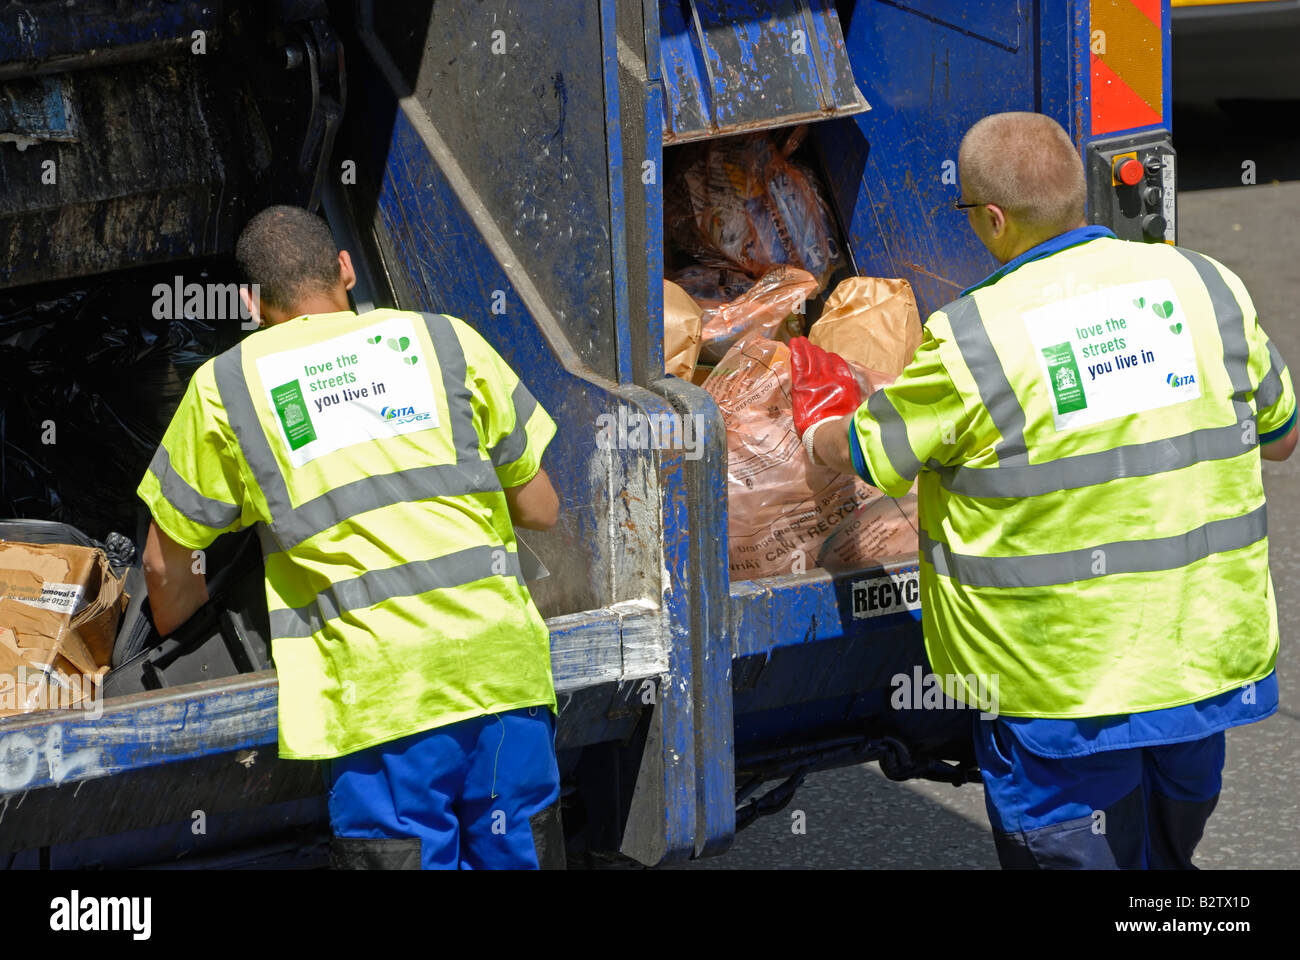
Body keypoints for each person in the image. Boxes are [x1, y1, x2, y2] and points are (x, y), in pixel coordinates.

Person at [791, 112, 1296, 869]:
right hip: (1198, 668)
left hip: (1057, 692)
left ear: (992, 218)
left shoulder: (976, 336)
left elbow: (871, 451)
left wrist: (812, 431)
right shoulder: (1204, 284)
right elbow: (1281, 437)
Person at [138, 205, 565, 870]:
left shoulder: (226, 386)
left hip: (379, 699)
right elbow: (540, 508)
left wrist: (171, 641)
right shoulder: (447, 340)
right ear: (345, 267)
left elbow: (167, 570)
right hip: (504, 678)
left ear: (250, 303)